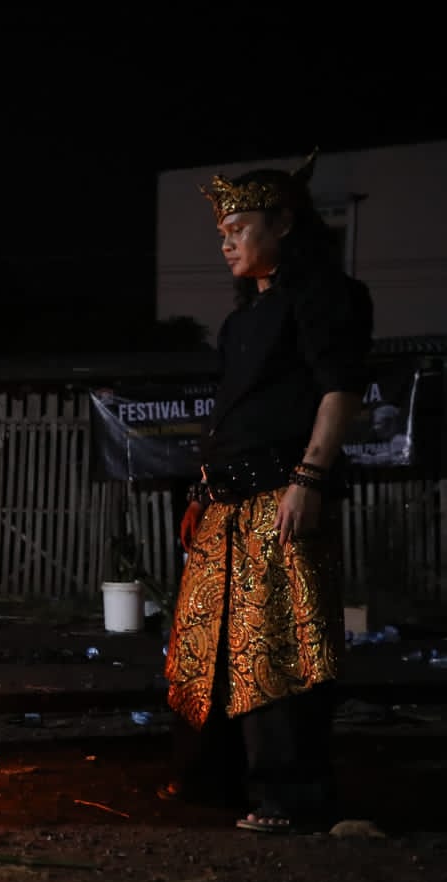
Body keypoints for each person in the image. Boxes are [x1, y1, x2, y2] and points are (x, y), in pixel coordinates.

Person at [163, 151, 373, 833]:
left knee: (275, 652)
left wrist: (309, 478)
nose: (225, 242)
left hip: (280, 498)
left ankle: (289, 798)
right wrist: (202, 490)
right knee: (210, 652)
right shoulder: (240, 322)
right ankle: (220, 784)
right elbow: (234, 413)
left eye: (237, 227)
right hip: (224, 506)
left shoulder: (326, 296)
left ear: (283, 223)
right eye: (221, 231)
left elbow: (340, 389)